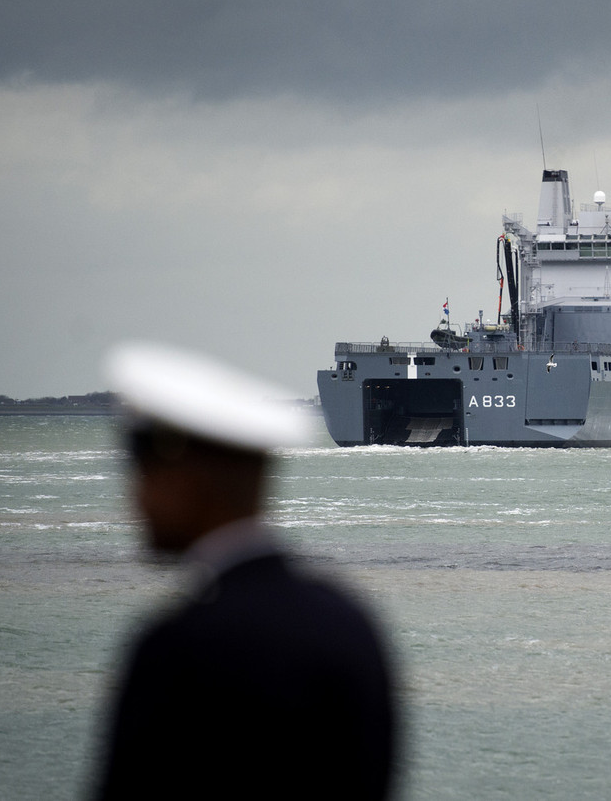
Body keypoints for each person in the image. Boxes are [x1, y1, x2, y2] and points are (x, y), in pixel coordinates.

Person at [94, 341, 402, 800]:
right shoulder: (350, 621)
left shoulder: (177, 645)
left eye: (144, 474)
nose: (136, 499)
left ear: (189, 479)